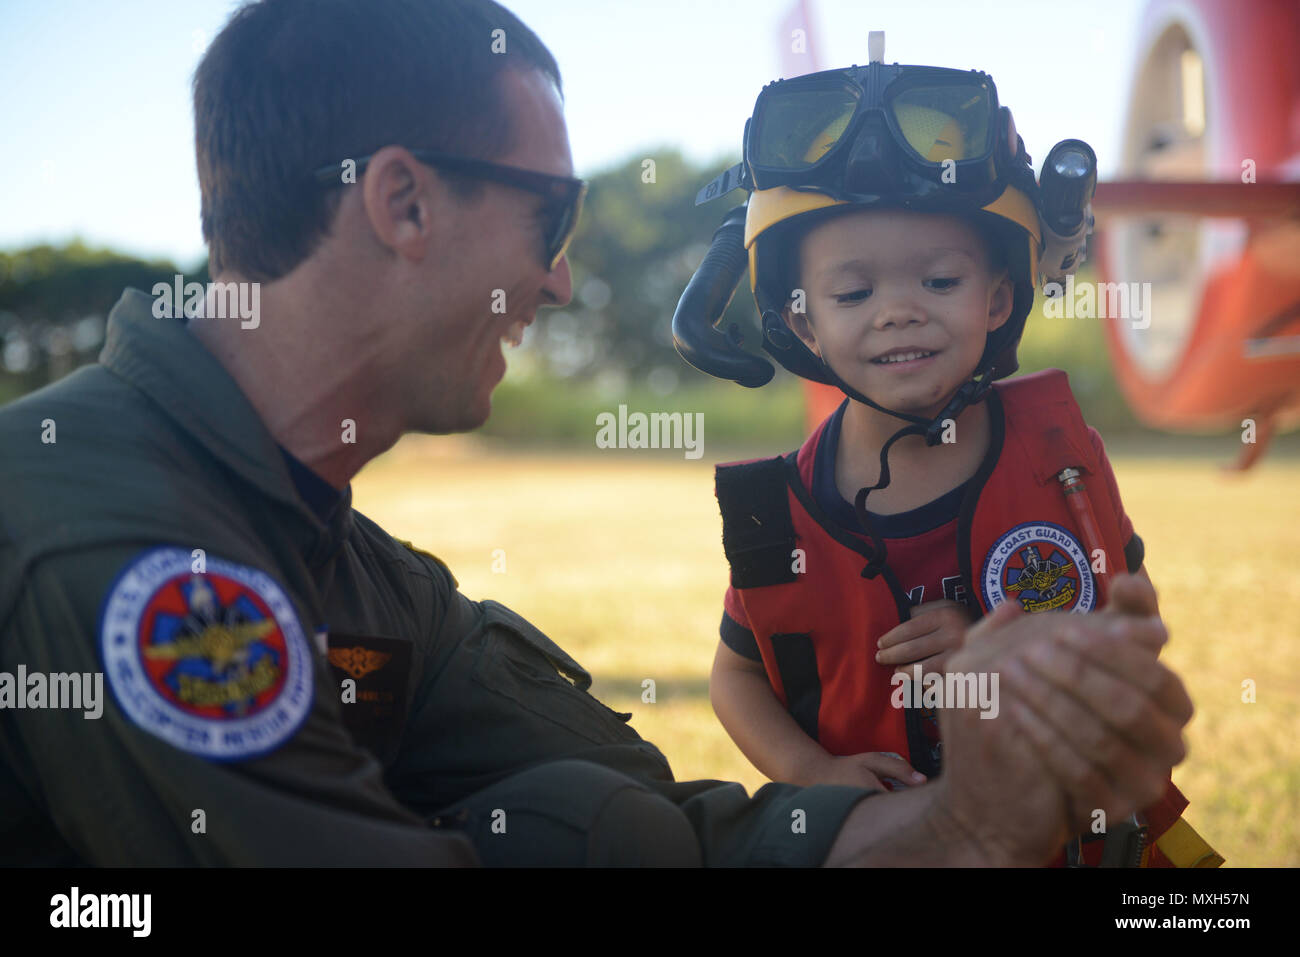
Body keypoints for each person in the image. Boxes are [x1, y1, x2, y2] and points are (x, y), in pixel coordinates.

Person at [0, 0, 1191, 867]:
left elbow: (661, 831)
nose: (563, 282)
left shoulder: (346, 567)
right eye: (550, 217)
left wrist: (973, 819)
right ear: (402, 201)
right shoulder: (137, 562)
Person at [682, 53, 1220, 866]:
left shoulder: (1060, 455)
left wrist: (1003, 650)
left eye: (939, 280)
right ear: (801, 324)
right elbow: (736, 677)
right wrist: (813, 773)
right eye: (853, 294)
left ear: (998, 299)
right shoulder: (778, 513)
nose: (899, 312)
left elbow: (1123, 619)